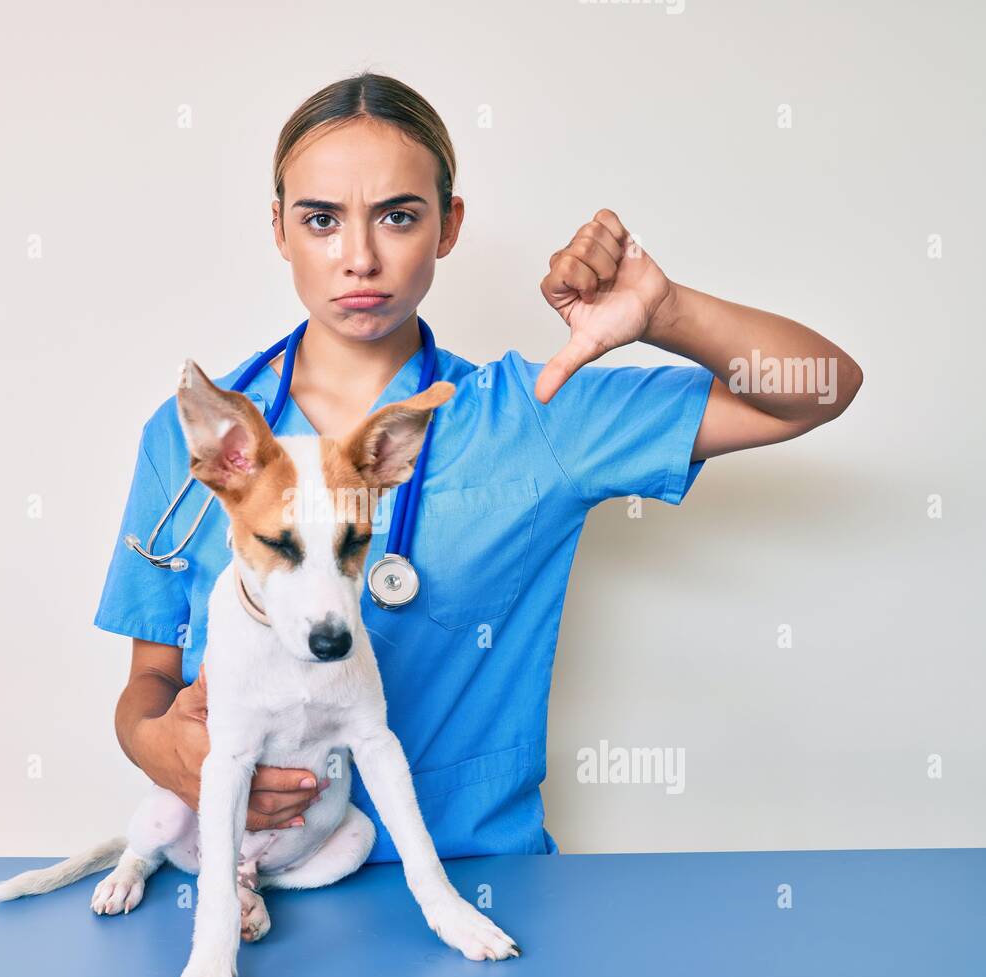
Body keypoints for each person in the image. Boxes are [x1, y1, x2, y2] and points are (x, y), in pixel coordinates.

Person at [93, 71, 863, 865]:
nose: (358, 257)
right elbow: (147, 677)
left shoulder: (533, 417)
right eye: (321, 219)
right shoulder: (204, 440)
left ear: (448, 226)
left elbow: (818, 392)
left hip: (479, 889)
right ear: (280, 230)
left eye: (397, 216)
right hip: (257, 883)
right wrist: (158, 748)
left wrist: (666, 313)